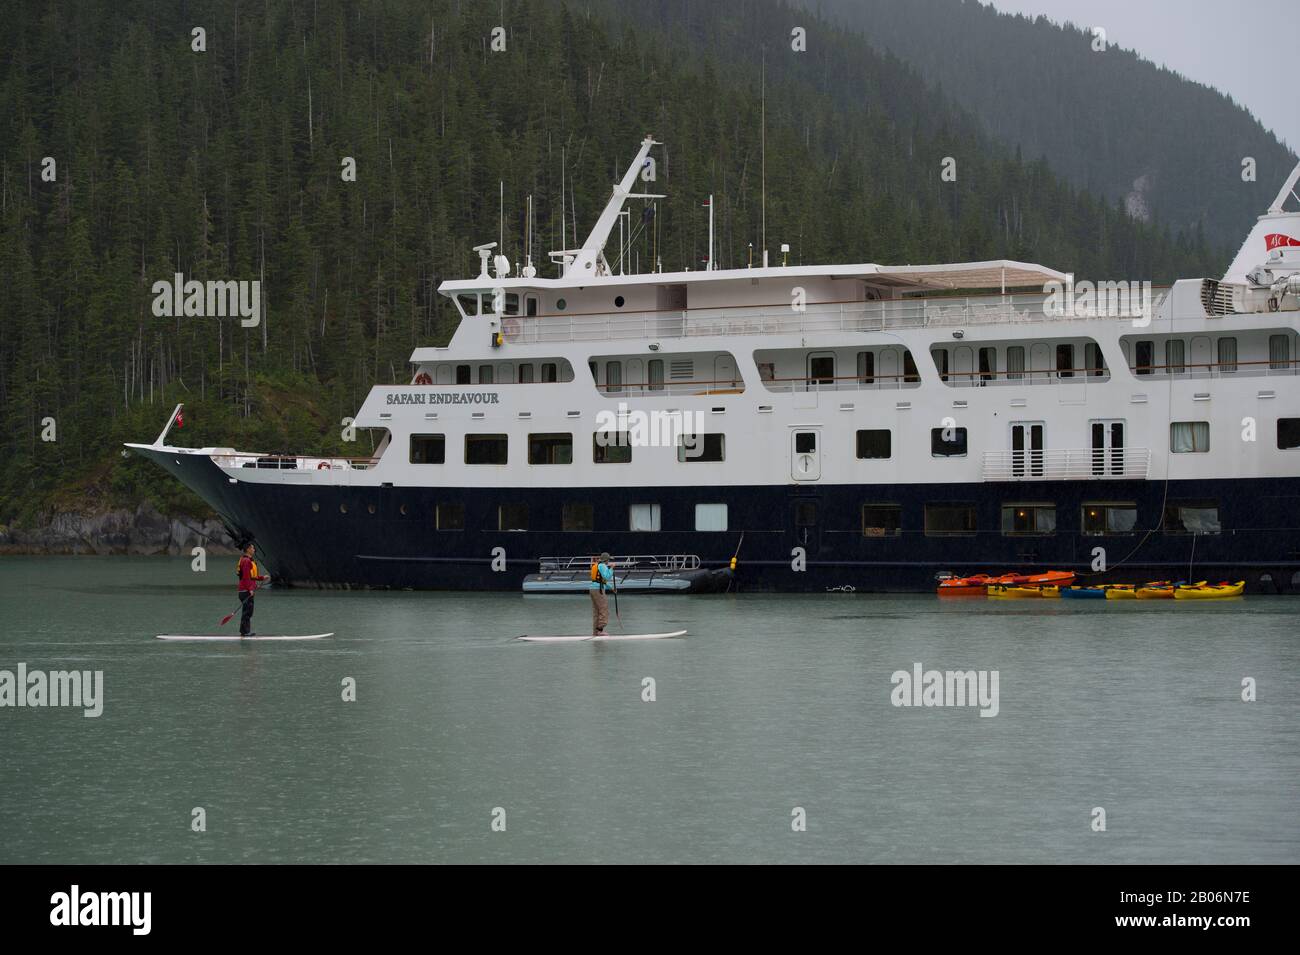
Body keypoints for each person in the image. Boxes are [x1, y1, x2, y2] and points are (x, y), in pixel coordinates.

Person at [236, 543, 270, 637]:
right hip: (245, 591)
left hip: (245, 590)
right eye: (252, 548)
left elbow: (252, 576)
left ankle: (244, 631)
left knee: (248, 611)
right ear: (248, 549)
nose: (254, 550)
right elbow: (246, 577)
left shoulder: (247, 560)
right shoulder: (246, 561)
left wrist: (262, 577)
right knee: (247, 612)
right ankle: (245, 632)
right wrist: (250, 589)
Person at [590, 551, 615, 636]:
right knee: (604, 610)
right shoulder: (603, 566)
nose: (609, 562)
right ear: (606, 560)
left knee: (596, 612)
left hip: (592, 589)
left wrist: (611, 588)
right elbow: (607, 577)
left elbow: (601, 581)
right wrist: (611, 568)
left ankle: (595, 632)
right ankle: (600, 630)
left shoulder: (597, 565)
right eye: (608, 560)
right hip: (598, 590)